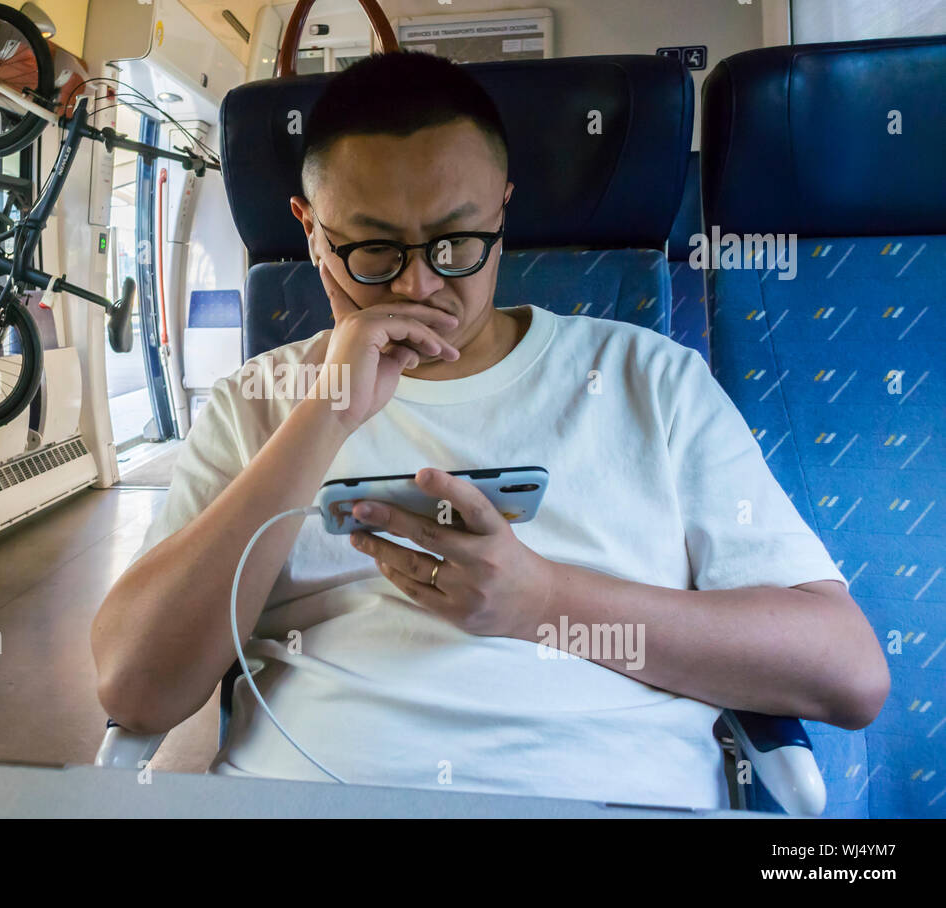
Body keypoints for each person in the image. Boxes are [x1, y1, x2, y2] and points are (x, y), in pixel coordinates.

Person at [91, 50, 888, 807]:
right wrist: (324, 416)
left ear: (503, 208)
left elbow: (846, 673)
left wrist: (542, 601)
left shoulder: (650, 380)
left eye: (456, 243)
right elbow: (136, 688)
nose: (419, 284)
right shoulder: (257, 402)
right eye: (371, 248)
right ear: (309, 228)